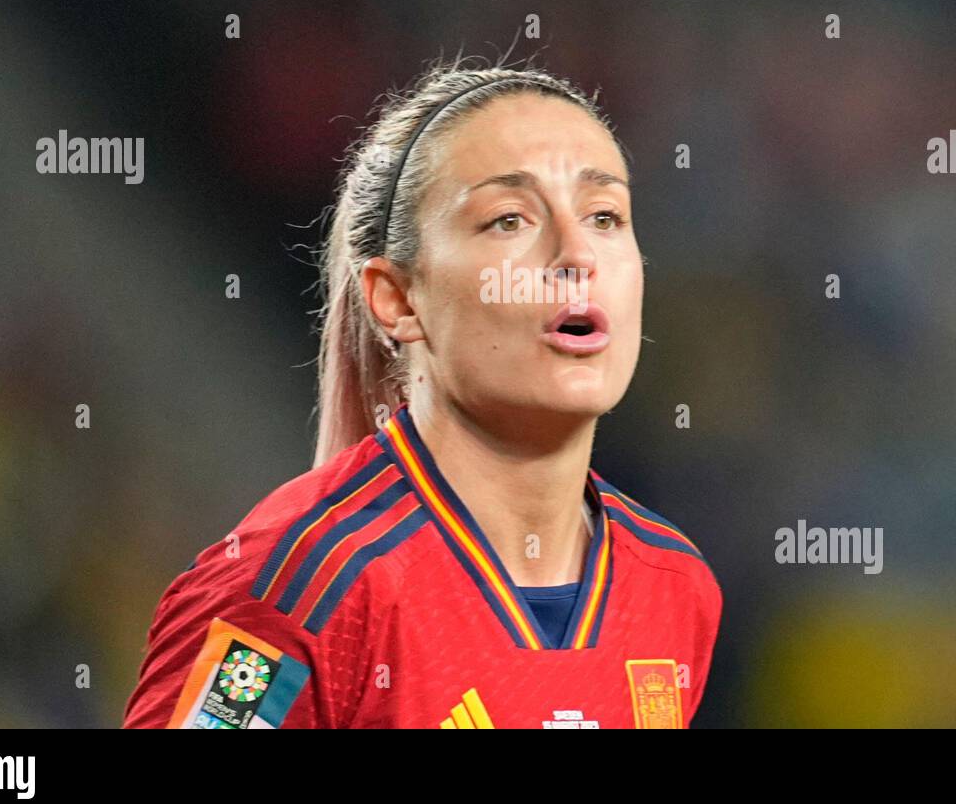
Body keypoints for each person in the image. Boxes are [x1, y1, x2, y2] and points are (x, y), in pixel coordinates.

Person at [123, 55, 722, 728]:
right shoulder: (295, 588)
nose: (577, 255)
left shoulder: (673, 585)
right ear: (399, 299)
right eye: (510, 220)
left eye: (605, 215)